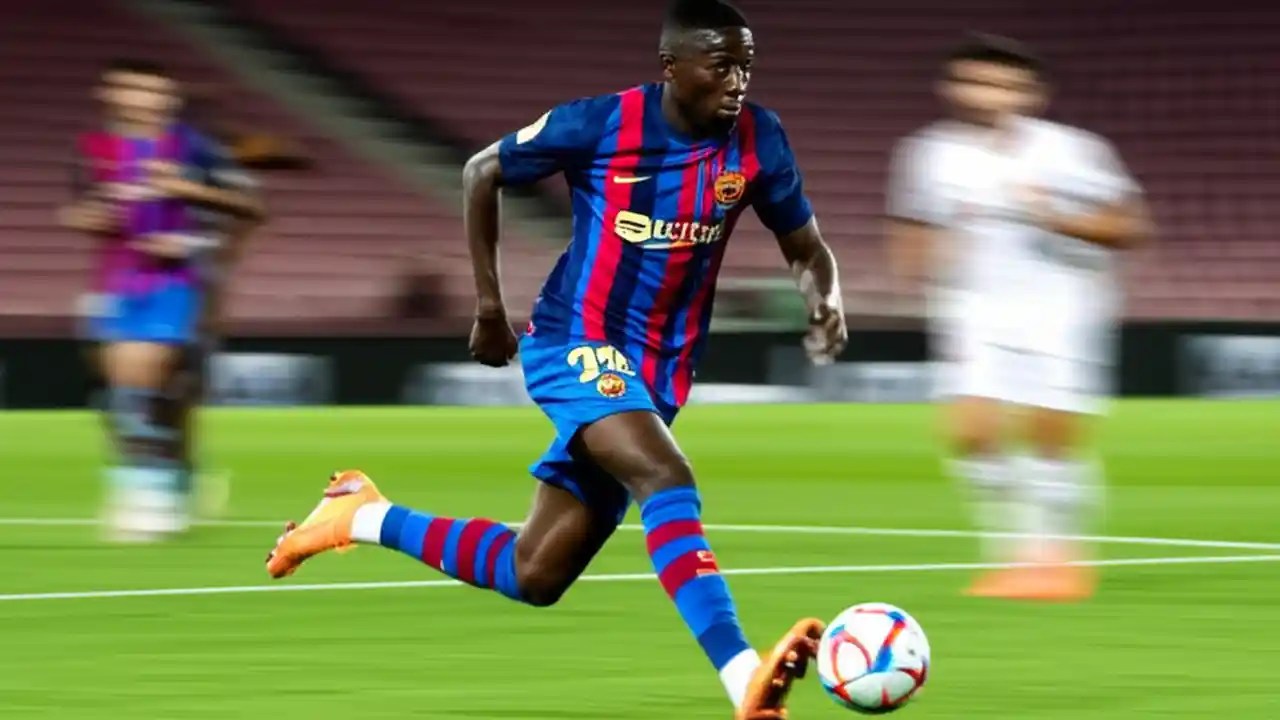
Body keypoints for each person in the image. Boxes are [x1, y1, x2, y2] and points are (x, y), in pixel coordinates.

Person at [265, 1, 847, 717]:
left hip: (658, 371)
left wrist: (825, 300)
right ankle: (744, 680)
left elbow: (806, 247)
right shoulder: (602, 124)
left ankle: (359, 516)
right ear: (672, 68)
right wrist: (488, 306)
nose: (738, 83)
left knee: (534, 571)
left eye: (746, 66)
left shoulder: (761, 139)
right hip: (575, 339)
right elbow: (483, 171)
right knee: (666, 475)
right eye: (721, 65)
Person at [885, 33, 1153, 601]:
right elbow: (912, 233)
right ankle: (1012, 554)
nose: (990, 94)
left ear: (1032, 93)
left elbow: (1130, 227)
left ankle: (1060, 557)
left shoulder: (1071, 151)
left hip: (1063, 303)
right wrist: (919, 264)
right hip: (972, 306)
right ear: (953, 88)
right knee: (971, 433)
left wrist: (1051, 216)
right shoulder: (929, 153)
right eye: (977, 81)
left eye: (1005, 83)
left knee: (1050, 436)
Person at [61, 59, 264, 540]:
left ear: (168, 98)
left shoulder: (197, 149)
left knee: (145, 381)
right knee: (126, 398)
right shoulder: (94, 150)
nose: (140, 99)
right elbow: (83, 208)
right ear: (112, 94)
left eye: (151, 91)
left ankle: (142, 498)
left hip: (180, 281)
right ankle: (176, 478)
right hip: (115, 283)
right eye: (129, 90)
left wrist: (185, 196)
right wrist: (88, 217)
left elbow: (250, 208)